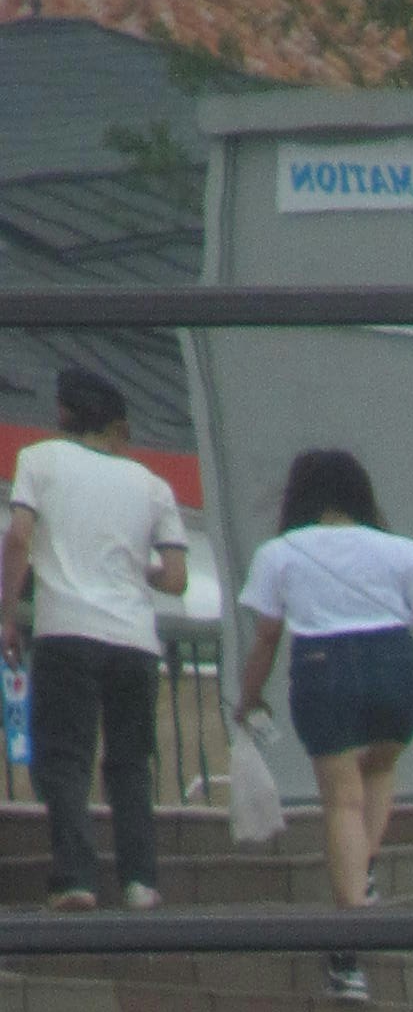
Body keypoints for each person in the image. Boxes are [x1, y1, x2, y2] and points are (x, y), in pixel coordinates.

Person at [231, 447, 413, 1002]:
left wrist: (250, 696)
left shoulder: (279, 552)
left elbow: (266, 636)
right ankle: (365, 875)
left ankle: (348, 953)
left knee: (341, 803)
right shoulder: (403, 550)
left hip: (321, 668)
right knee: (379, 777)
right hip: (394, 667)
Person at [4, 364, 189, 912]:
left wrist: (6, 613)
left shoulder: (39, 460)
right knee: (129, 763)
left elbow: (19, 538)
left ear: (63, 414)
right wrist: (137, 570)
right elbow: (176, 579)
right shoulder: (153, 486)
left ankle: (76, 878)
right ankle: (140, 881)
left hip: (69, 633)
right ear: (117, 426)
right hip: (135, 639)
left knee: (65, 760)